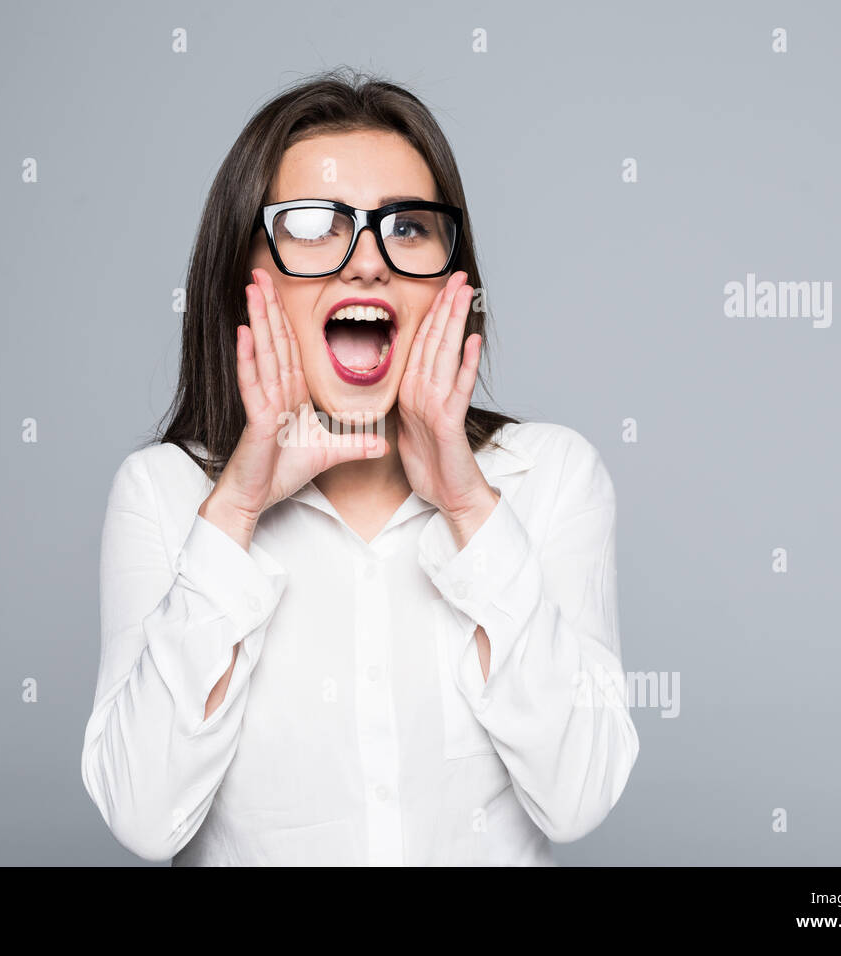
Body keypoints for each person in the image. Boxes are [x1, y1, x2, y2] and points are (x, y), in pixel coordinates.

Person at [81, 69, 639, 865]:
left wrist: (470, 508)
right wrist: (235, 512)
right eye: (312, 224)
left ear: (454, 280)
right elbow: (143, 817)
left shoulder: (548, 479)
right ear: (248, 283)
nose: (368, 262)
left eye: (408, 227)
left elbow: (578, 797)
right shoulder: (166, 497)